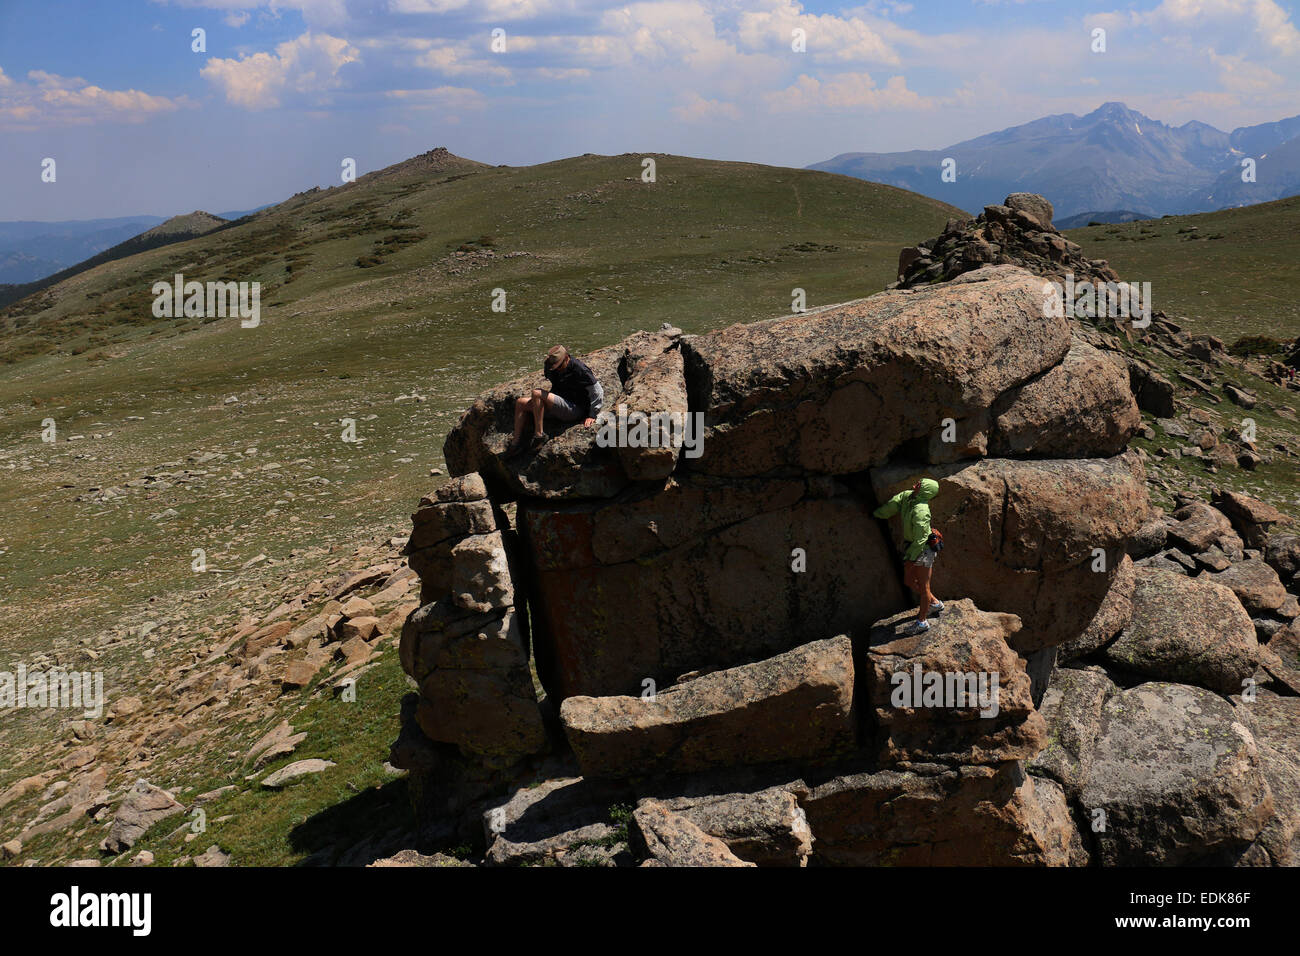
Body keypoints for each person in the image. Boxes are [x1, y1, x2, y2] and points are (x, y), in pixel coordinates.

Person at [873, 478, 944, 634]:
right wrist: (876, 514)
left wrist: (911, 558)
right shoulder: (907, 496)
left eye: (920, 484)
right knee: (909, 581)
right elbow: (892, 506)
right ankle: (935, 603)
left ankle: (922, 622)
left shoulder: (921, 511)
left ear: (924, 490)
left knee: (924, 587)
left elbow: (921, 539)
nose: (915, 484)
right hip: (913, 548)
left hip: (923, 551)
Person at [507, 345, 604, 454]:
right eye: (554, 367)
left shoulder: (579, 369)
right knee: (520, 403)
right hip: (559, 404)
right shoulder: (549, 366)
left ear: (566, 358)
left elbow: (597, 391)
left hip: (575, 409)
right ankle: (515, 444)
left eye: (559, 366)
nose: (556, 368)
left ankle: (539, 436)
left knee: (537, 393)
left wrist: (592, 415)